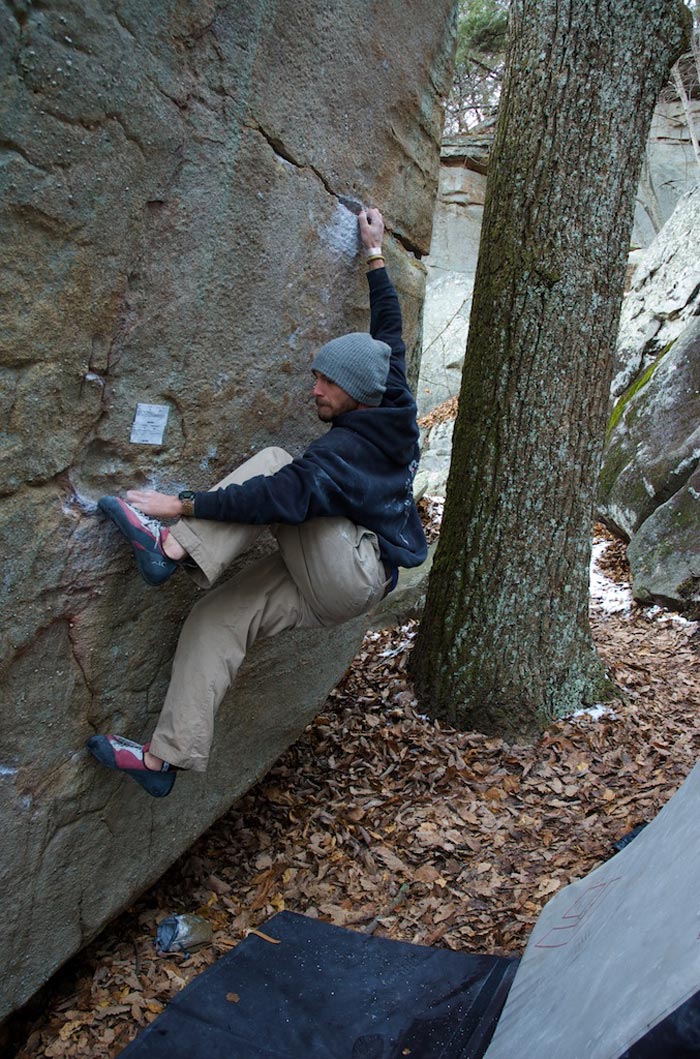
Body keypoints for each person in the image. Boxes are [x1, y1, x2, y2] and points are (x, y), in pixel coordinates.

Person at [87, 207, 427, 797]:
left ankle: (167, 548)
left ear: (353, 394)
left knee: (276, 464)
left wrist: (183, 507)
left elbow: (281, 496)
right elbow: (389, 328)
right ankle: (164, 760)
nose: (314, 388)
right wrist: (374, 252)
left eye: (325, 382)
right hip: (333, 578)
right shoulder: (386, 389)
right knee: (216, 618)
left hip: (351, 568)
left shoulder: (346, 453)